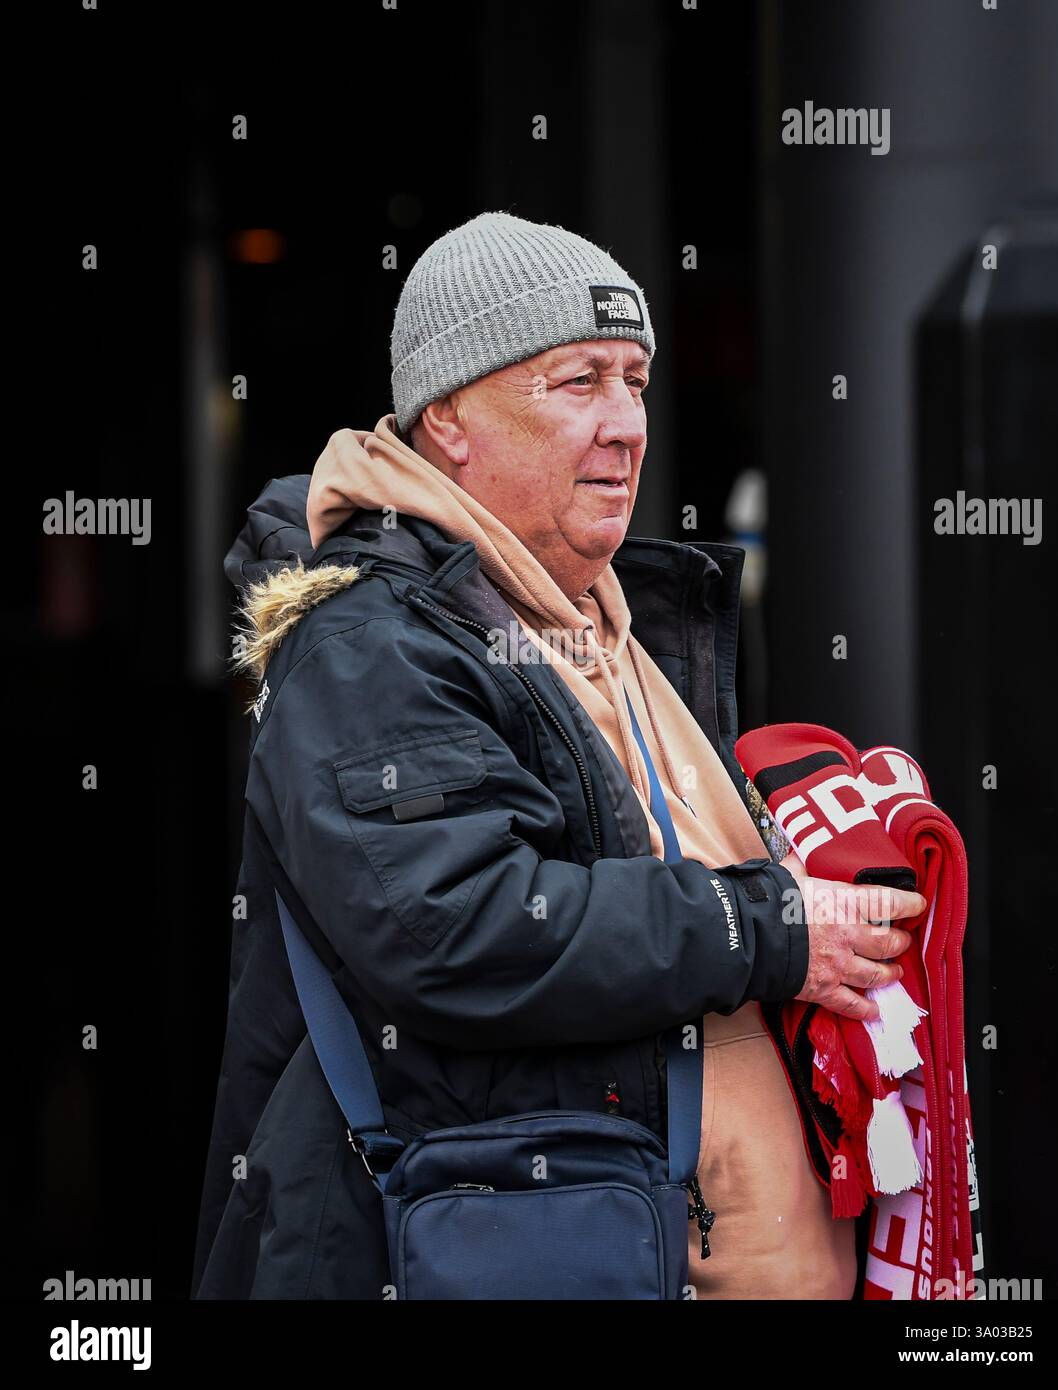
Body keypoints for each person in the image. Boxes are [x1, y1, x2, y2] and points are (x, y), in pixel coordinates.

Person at [191, 211, 923, 1300]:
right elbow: (459, 925)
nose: (627, 423)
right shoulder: (367, 641)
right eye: (578, 382)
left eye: (635, 379)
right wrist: (763, 928)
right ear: (448, 418)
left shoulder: (599, 621)